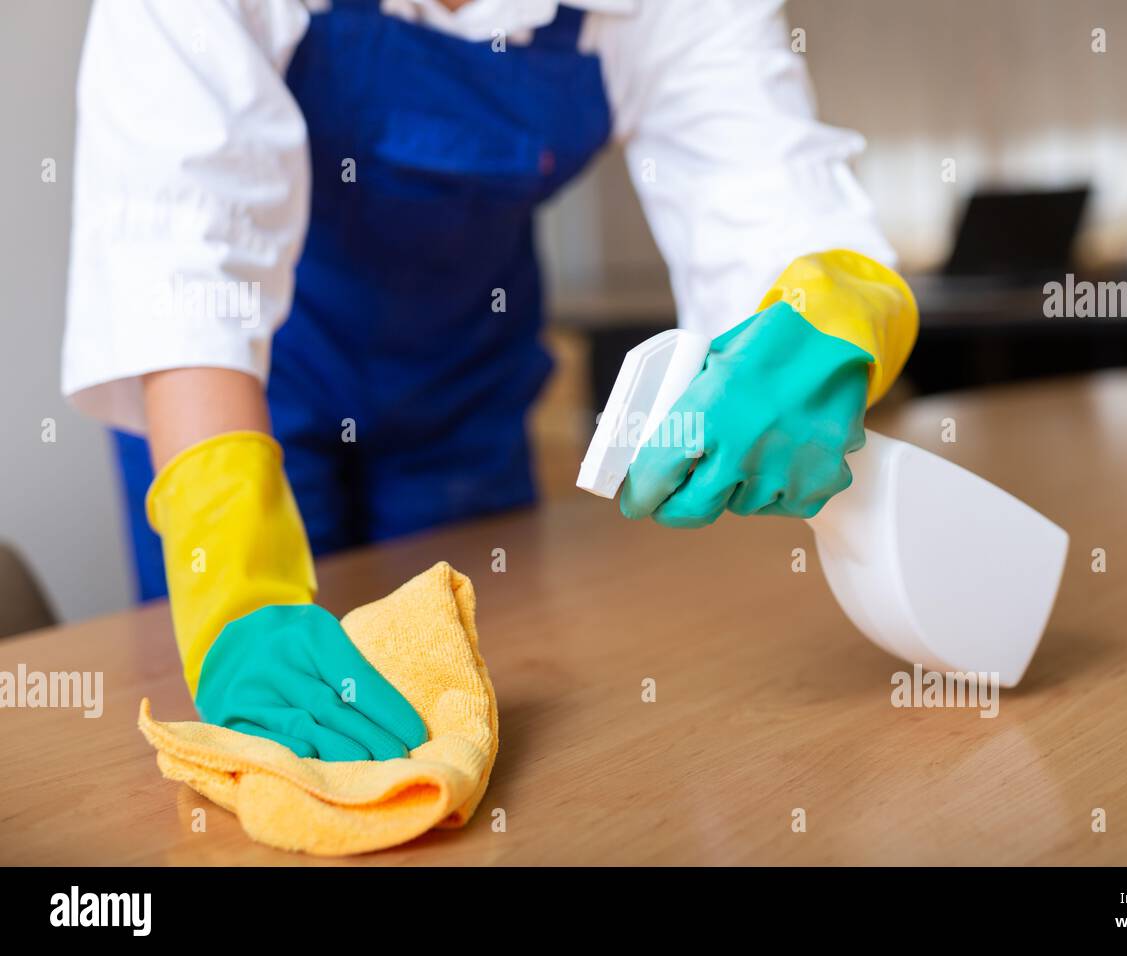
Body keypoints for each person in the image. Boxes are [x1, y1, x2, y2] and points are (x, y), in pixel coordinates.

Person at [63, 0, 918, 760]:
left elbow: (769, 185)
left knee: (459, 710)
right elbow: (179, 259)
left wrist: (827, 321)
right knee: (262, 736)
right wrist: (236, 590)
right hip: (227, 404)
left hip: (463, 392)